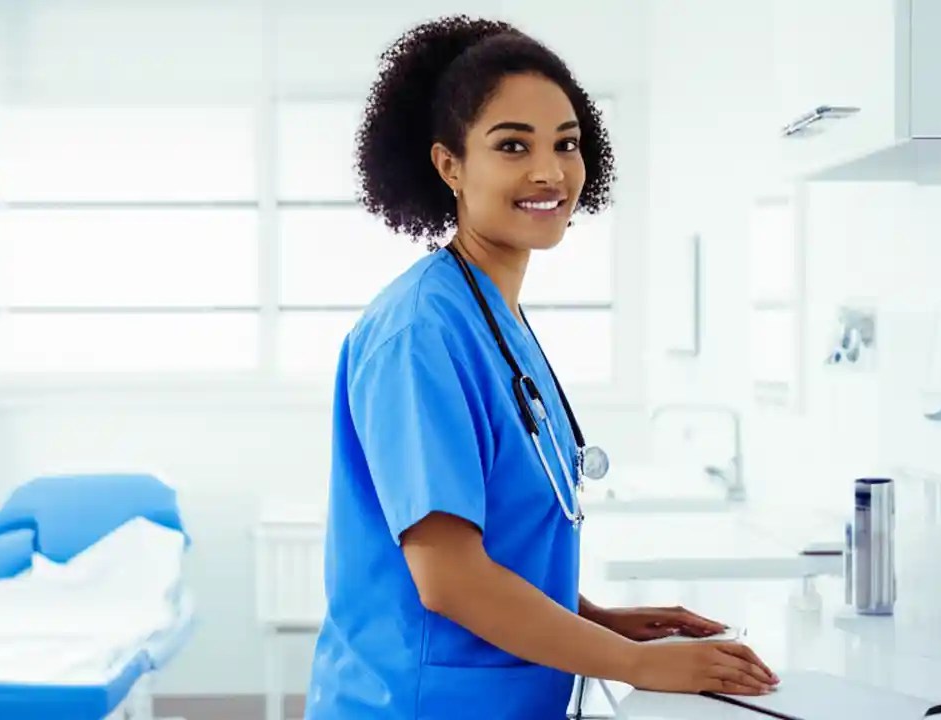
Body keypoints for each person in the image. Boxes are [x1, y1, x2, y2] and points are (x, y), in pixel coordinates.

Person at [304, 15, 778, 719]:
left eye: (566, 143)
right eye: (512, 146)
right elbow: (451, 581)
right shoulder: (419, 334)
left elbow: (500, 540)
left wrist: (596, 619)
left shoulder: (491, 313)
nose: (550, 171)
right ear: (450, 166)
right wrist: (635, 664)